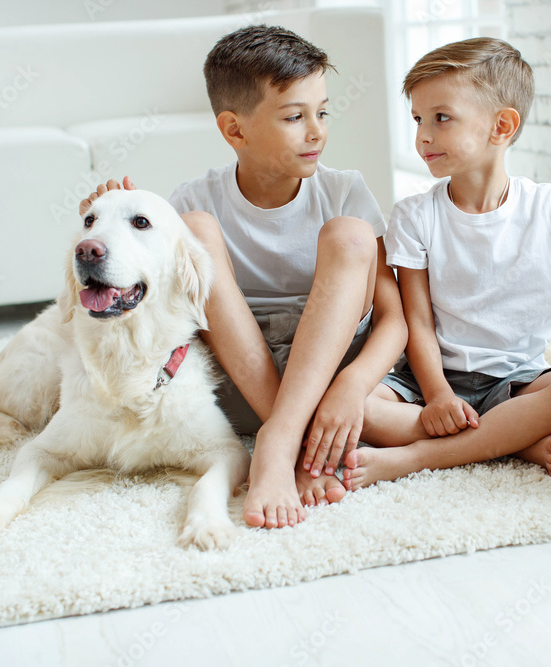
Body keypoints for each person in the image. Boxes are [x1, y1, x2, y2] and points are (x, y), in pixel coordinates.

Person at [80, 25, 406, 528]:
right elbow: (154, 299)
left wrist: (353, 384)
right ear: (234, 130)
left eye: (322, 113)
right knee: (193, 229)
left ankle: (280, 437)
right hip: (241, 376)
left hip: (330, 364)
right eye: (295, 117)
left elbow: (394, 319)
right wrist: (112, 223)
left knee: (351, 235)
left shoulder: (345, 191)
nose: (316, 131)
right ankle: (288, 437)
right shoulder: (195, 200)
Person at [342, 37, 551, 491]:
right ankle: (508, 437)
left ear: (502, 126)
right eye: (418, 119)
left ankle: (418, 457)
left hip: (519, 381)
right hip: (429, 380)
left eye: (441, 118)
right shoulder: (414, 215)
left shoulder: (550, 207)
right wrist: (438, 395)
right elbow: (417, 320)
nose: (423, 136)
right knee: (354, 407)